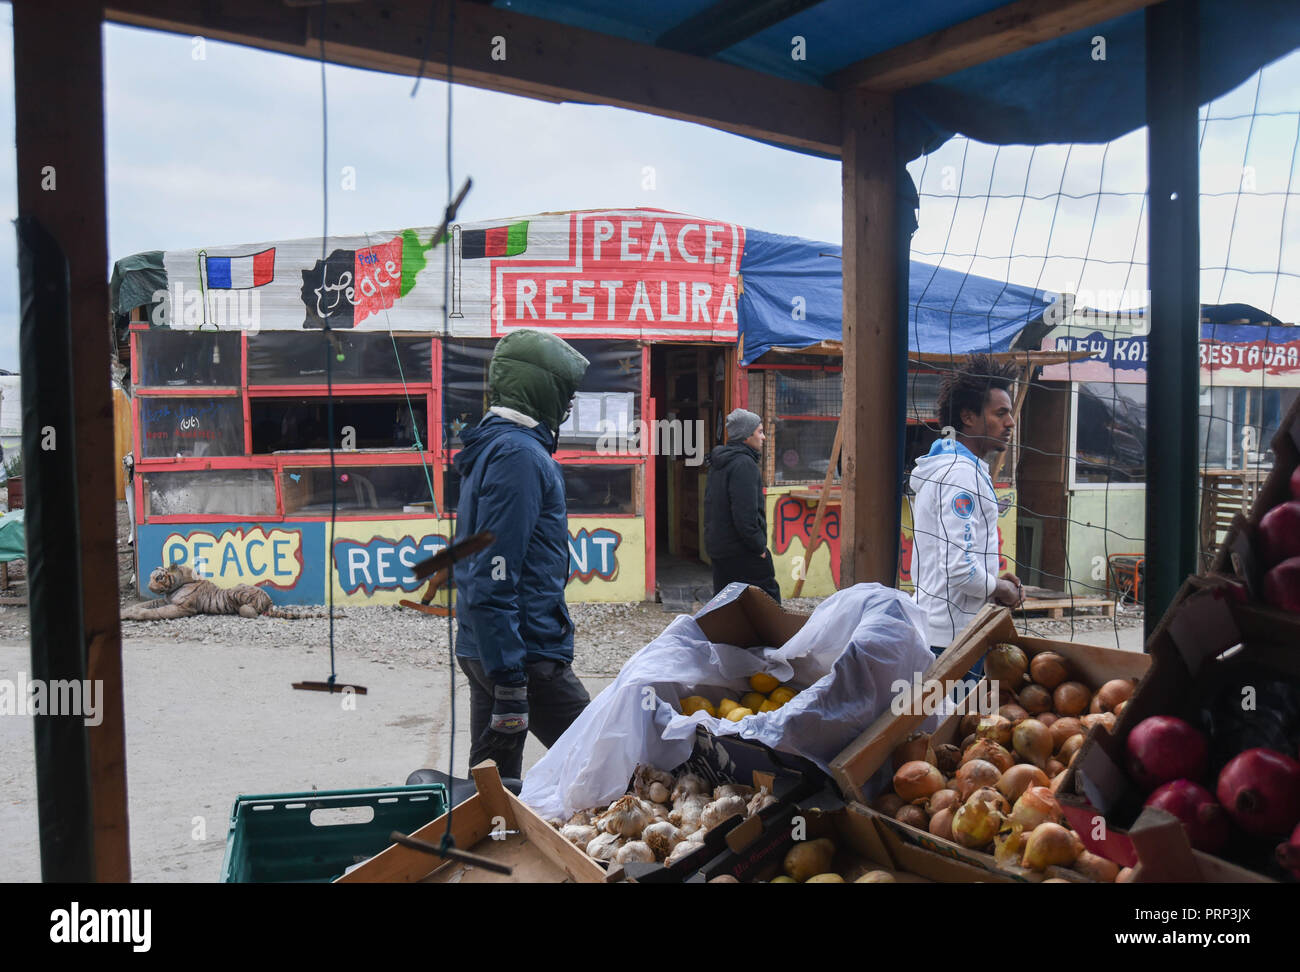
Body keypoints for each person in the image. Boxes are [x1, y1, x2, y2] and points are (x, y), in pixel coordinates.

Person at [451, 329, 592, 782]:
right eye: (565, 393)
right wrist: (511, 676)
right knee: (607, 757)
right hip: (524, 654)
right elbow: (493, 569)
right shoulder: (519, 455)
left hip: (489, 648)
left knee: (492, 787)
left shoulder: (495, 445)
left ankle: (485, 847)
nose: (568, 405)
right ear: (540, 387)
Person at [909, 353, 1024, 659]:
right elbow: (961, 571)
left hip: (946, 629)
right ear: (969, 417)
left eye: (1009, 413)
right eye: (1000, 413)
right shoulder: (960, 475)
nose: (1010, 422)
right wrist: (1003, 590)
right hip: (951, 639)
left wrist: (996, 582)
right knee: (956, 709)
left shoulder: (957, 469)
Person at [704, 408, 781, 603]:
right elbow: (744, 515)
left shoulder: (719, 463)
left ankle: (723, 634)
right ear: (746, 436)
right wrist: (759, 548)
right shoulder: (744, 465)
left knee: (726, 605)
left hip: (720, 548)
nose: (763, 437)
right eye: (760, 432)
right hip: (742, 550)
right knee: (768, 602)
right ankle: (775, 635)